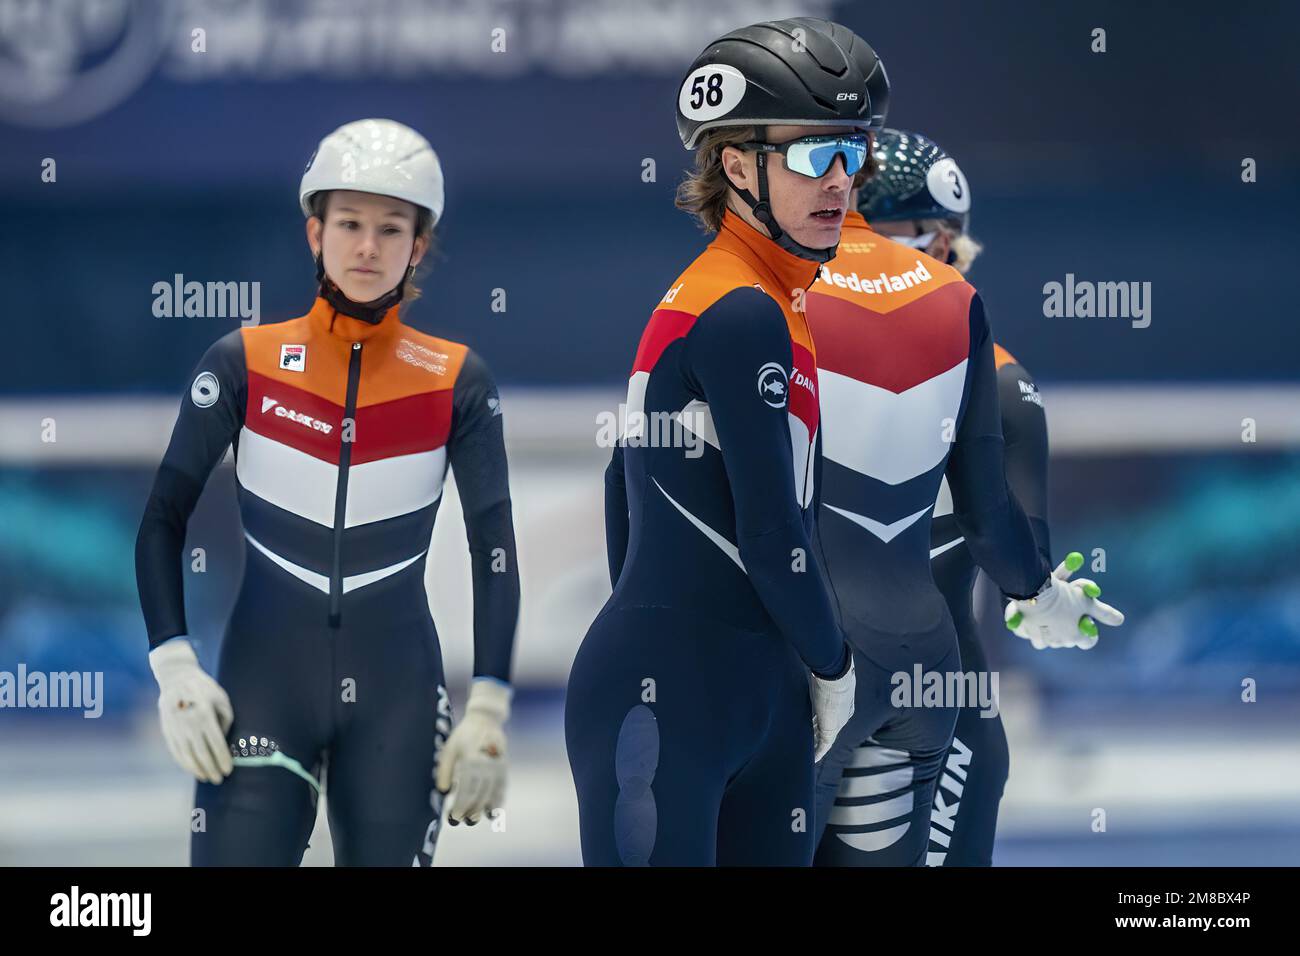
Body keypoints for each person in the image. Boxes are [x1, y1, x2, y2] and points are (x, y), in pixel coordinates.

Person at [135, 118, 521, 866]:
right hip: (261, 688)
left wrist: (491, 707)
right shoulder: (243, 360)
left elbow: (494, 552)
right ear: (316, 235)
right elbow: (162, 520)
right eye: (349, 224)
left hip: (399, 699)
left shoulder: (457, 381)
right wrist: (175, 670)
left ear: (418, 247)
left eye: (390, 228)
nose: (368, 247)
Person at [566, 18, 886, 866]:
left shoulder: (766, 302)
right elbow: (775, 533)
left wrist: (662, 618)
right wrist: (833, 664)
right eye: (813, 157)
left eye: (852, 154)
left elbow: (617, 488)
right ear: (737, 165)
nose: (840, 184)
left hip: (718, 683)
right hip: (701, 693)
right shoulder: (741, 309)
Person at [802, 100, 1124, 863]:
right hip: (902, 683)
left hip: (889, 702)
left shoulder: (1001, 384)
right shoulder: (767, 340)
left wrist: (1040, 598)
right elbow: (1020, 558)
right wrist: (1046, 601)